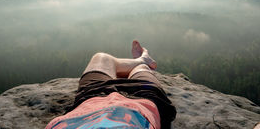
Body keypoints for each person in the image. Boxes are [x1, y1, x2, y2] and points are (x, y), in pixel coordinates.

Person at [45, 40, 176, 129]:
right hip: (143, 103)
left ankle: (141, 61)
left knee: (101, 58)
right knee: (141, 69)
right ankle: (141, 62)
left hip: (92, 99)